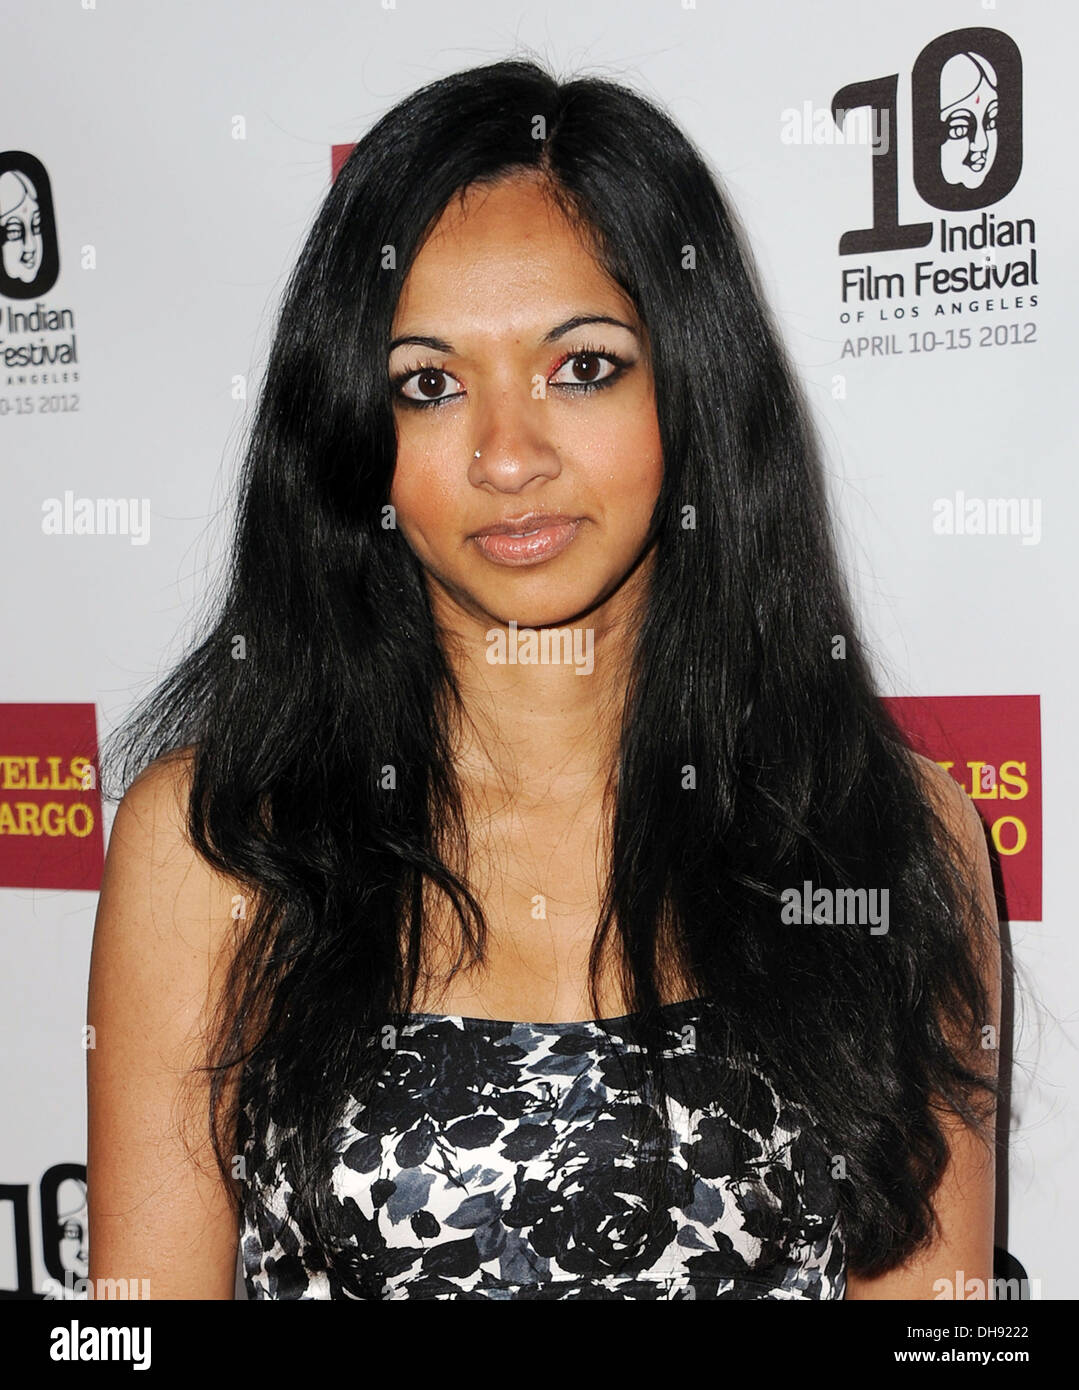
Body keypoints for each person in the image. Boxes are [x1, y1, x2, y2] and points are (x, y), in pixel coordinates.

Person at [86, 58, 1000, 1300]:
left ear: (694, 388)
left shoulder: (885, 839)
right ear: (355, 439)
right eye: (428, 383)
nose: (506, 455)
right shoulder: (219, 847)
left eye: (581, 367)